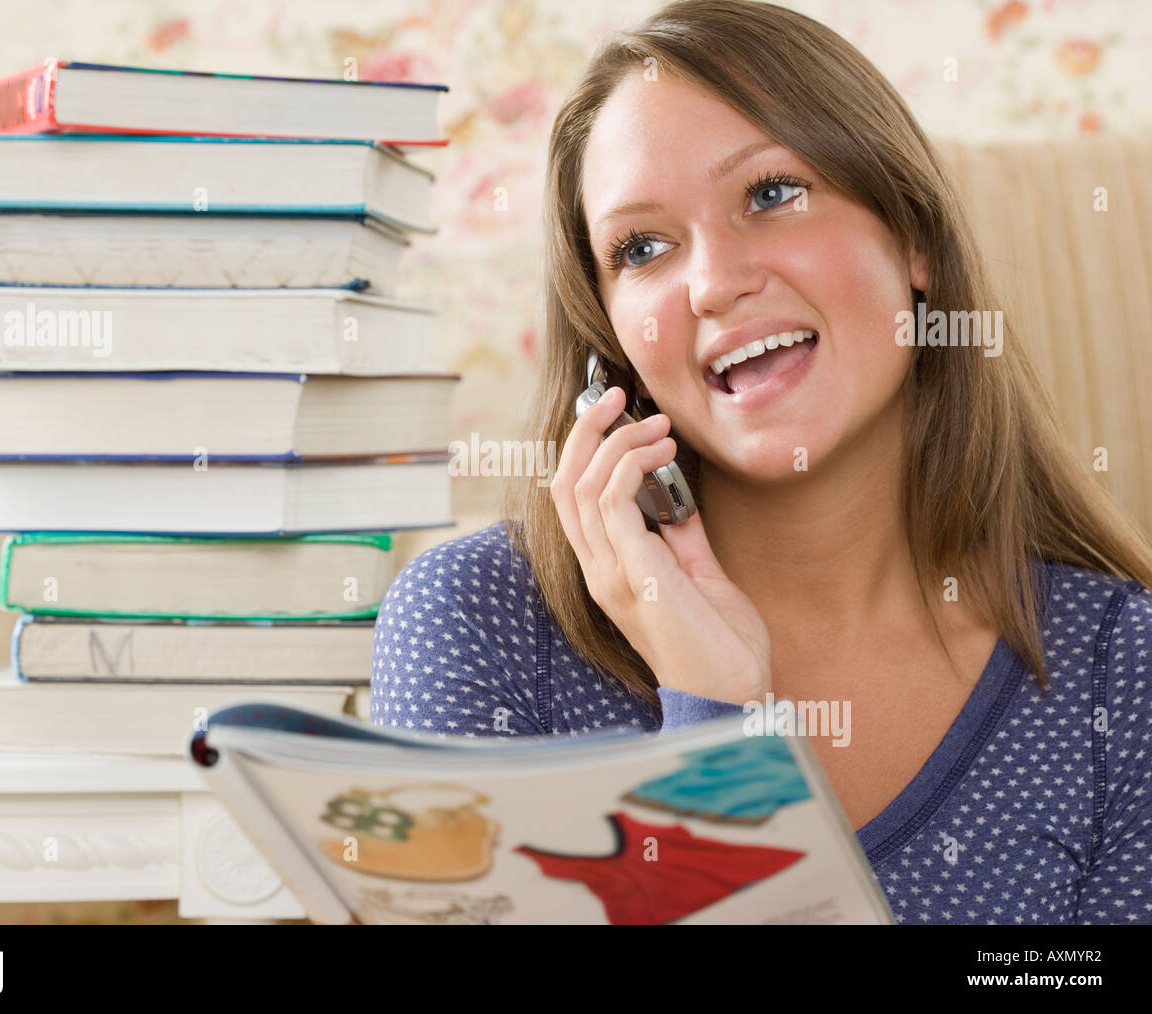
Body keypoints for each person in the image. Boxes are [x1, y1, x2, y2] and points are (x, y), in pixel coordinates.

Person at [370, 0, 1152, 925]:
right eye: (643, 248)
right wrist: (712, 718)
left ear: (914, 240)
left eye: (772, 193)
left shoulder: (1118, 666)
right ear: (608, 348)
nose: (713, 283)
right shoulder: (476, 624)